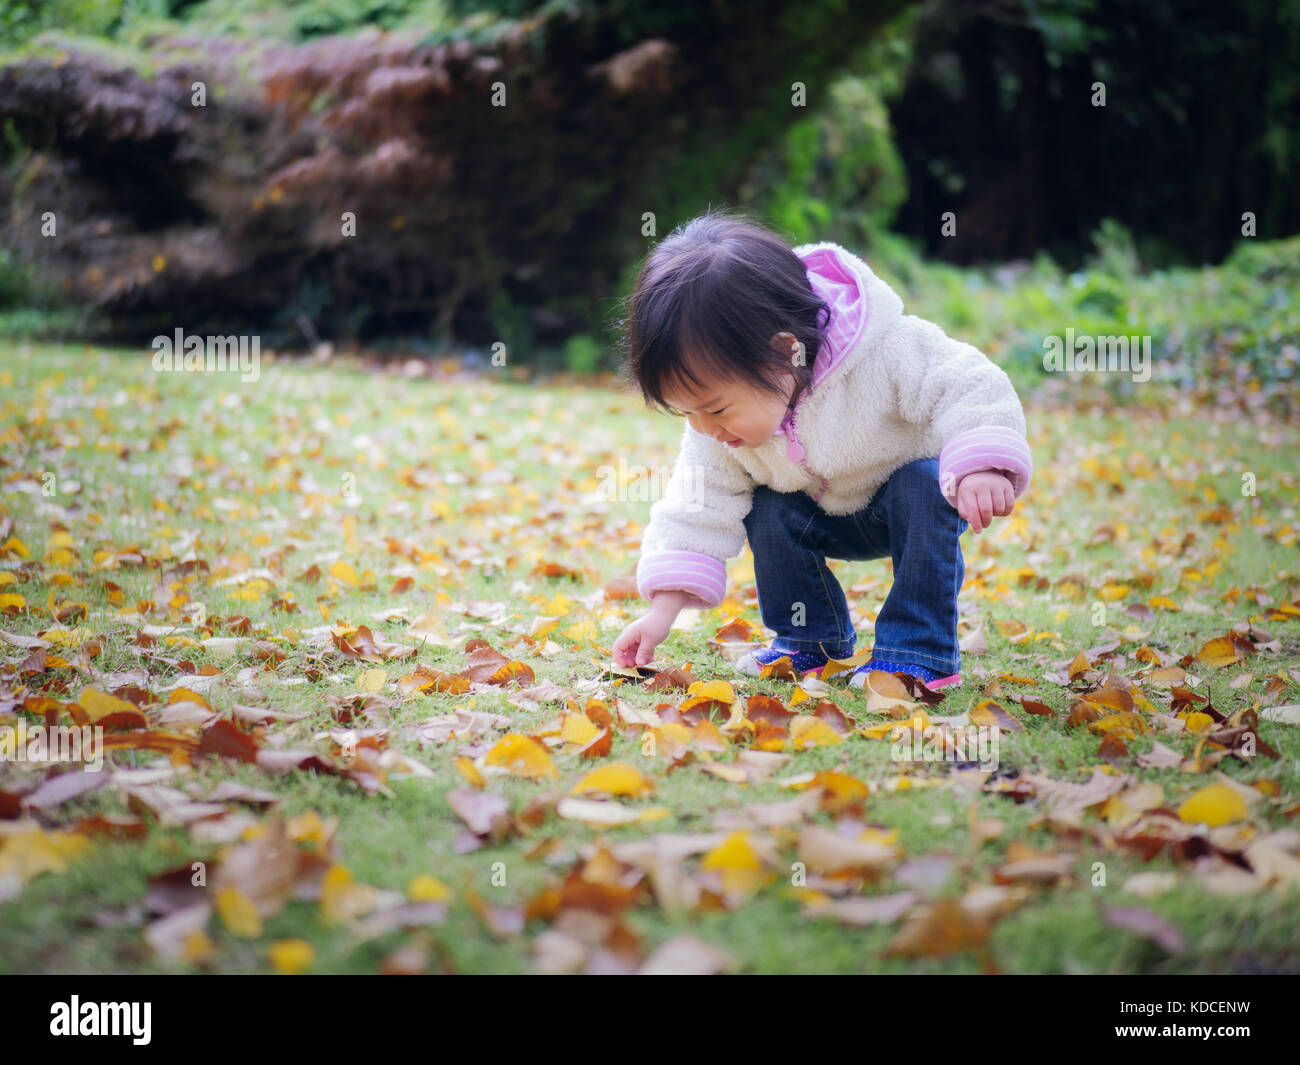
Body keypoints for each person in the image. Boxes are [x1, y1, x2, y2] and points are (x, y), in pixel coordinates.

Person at [611, 208, 1032, 691]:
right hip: (818, 515)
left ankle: (918, 651)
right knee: (767, 507)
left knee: (923, 484)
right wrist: (660, 613)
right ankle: (809, 641)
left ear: (784, 352)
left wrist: (983, 464)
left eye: (716, 409)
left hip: (903, 507)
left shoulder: (886, 349)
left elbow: (967, 381)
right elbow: (695, 507)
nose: (704, 428)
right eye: (686, 414)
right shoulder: (717, 434)